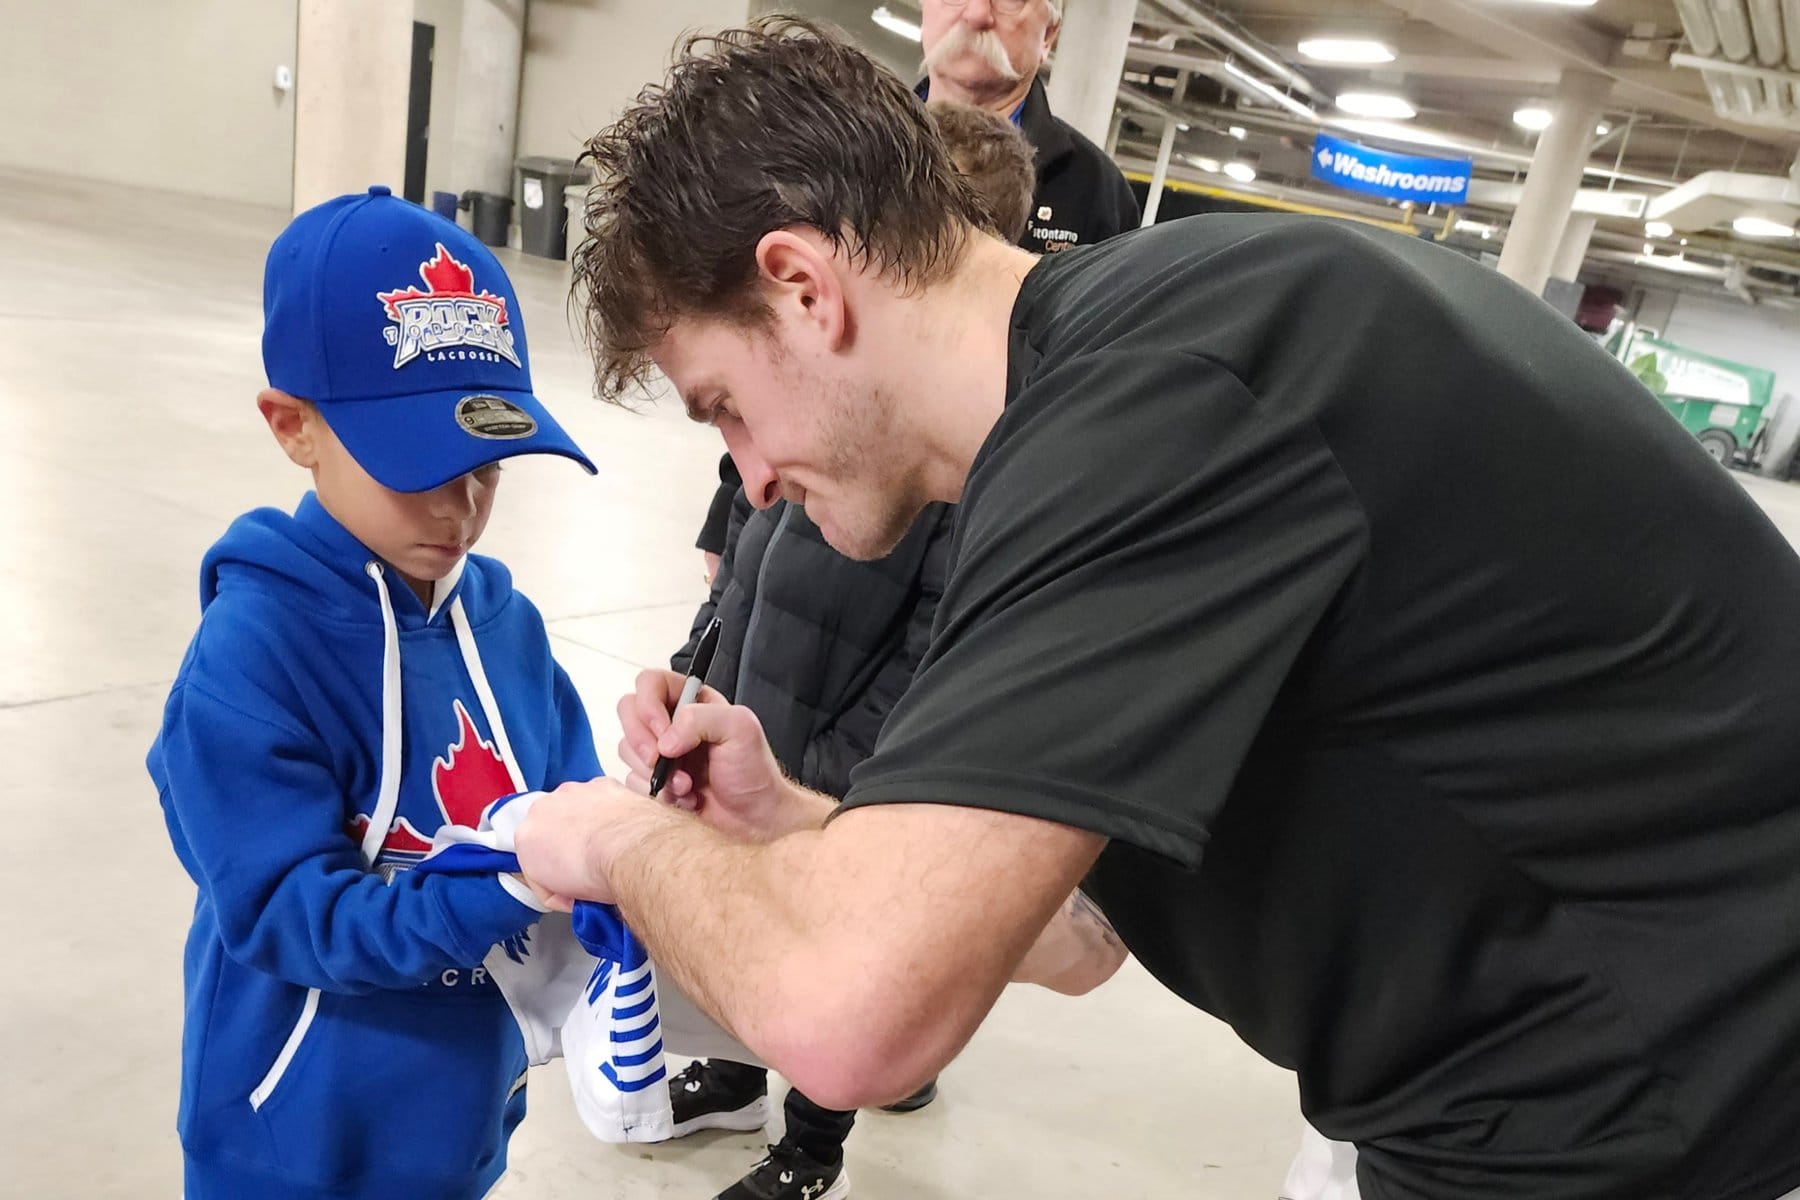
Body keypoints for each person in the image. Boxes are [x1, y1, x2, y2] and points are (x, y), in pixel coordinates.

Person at [533, 20, 1800, 1200]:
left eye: (725, 408)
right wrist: (791, 829)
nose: (750, 483)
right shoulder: (1107, 391)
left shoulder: (1159, 408)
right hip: (1556, 1090)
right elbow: (1083, 939)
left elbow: (854, 1026)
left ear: (804, 286)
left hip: (1683, 1111)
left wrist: (614, 844)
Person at [147, 187, 601, 1200]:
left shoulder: (505, 627)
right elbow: (287, 915)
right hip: (289, 1141)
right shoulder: (251, 658)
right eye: (419, 463)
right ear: (292, 425)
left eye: (489, 462)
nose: (461, 506)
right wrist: (511, 886)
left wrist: (635, 828)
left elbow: (573, 797)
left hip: (460, 1121)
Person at [656, 102, 1039, 1200]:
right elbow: (746, 543)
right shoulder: (807, 420)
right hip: (758, 701)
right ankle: (729, 1075)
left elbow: (932, 659)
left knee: (823, 957)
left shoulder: (949, 481)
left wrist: (848, 784)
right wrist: (700, 668)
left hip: (842, 755)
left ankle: (808, 1147)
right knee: (736, 926)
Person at [690, 0, 1137, 576]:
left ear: (1051, 31)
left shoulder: (1096, 191)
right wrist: (728, 516)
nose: (977, 13)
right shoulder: (829, 145)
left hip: (976, 545)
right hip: (813, 533)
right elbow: (760, 334)